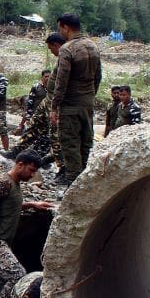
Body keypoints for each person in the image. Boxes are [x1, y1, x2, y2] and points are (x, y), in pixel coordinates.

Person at [0, 150, 53, 298]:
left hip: (1, 242)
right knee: (17, 274)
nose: (33, 175)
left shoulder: (14, 184)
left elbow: (9, 206)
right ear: (20, 165)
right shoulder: (2, 183)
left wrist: (33, 204)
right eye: (31, 170)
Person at [50, 13, 101, 186]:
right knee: (85, 144)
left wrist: (54, 107)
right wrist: (90, 96)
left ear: (66, 27)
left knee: (70, 146)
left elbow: (61, 81)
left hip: (70, 105)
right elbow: (98, 76)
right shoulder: (93, 46)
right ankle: (85, 183)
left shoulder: (67, 49)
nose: (60, 32)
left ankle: (74, 186)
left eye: (60, 28)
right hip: (87, 104)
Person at [1, 34, 64, 168]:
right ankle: (16, 150)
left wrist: (55, 107)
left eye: (51, 48)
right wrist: (23, 121)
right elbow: (29, 105)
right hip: (47, 102)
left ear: (56, 45)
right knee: (33, 127)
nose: (51, 52)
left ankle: (61, 168)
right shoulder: (37, 87)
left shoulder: (67, 56)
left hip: (56, 102)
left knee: (54, 135)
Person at [105, 86, 150, 206]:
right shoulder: (118, 107)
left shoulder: (134, 109)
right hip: (121, 143)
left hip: (130, 146)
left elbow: (135, 128)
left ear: (129, 94)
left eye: (123, 95)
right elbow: (112, 123)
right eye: (119, 94)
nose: (120, 97)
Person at [17, 70, 50, 135]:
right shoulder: (36, 87)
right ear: (42, 77)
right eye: (46, 76)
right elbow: (29, 104)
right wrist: (21, 124)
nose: (47, 78)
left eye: (49, 76)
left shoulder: (54, 88)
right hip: (35, 116)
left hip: (48, 117)